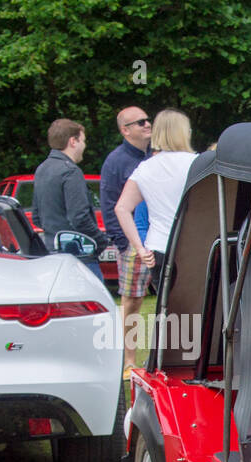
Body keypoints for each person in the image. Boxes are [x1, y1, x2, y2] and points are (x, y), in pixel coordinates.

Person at [100, 106, 153, 376]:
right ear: (125, 130)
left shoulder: (156, 155)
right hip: (133, 241)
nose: (147, 124)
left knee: (173, 296)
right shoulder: (116, 161)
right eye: (140, 122)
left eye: (148, 120)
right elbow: (110, 205)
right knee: (132, 301)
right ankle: (129, 360)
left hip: (158, 237)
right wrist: (123, 242)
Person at [114, 110, 198, 281]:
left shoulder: (145, 168)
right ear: (184, 133)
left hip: (158, 247)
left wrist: (140, 248)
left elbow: (121, 208)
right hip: (195, 246)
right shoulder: (197, 163)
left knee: (165, 297)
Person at [32, 118, 109, 283]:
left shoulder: (42, 169)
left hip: (52, 256)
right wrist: (100, 241)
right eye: (83, 140)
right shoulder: (71, 172)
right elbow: (79, 218)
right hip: (79, 256)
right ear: (73, 141)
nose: (84, 146)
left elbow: (37, 217)